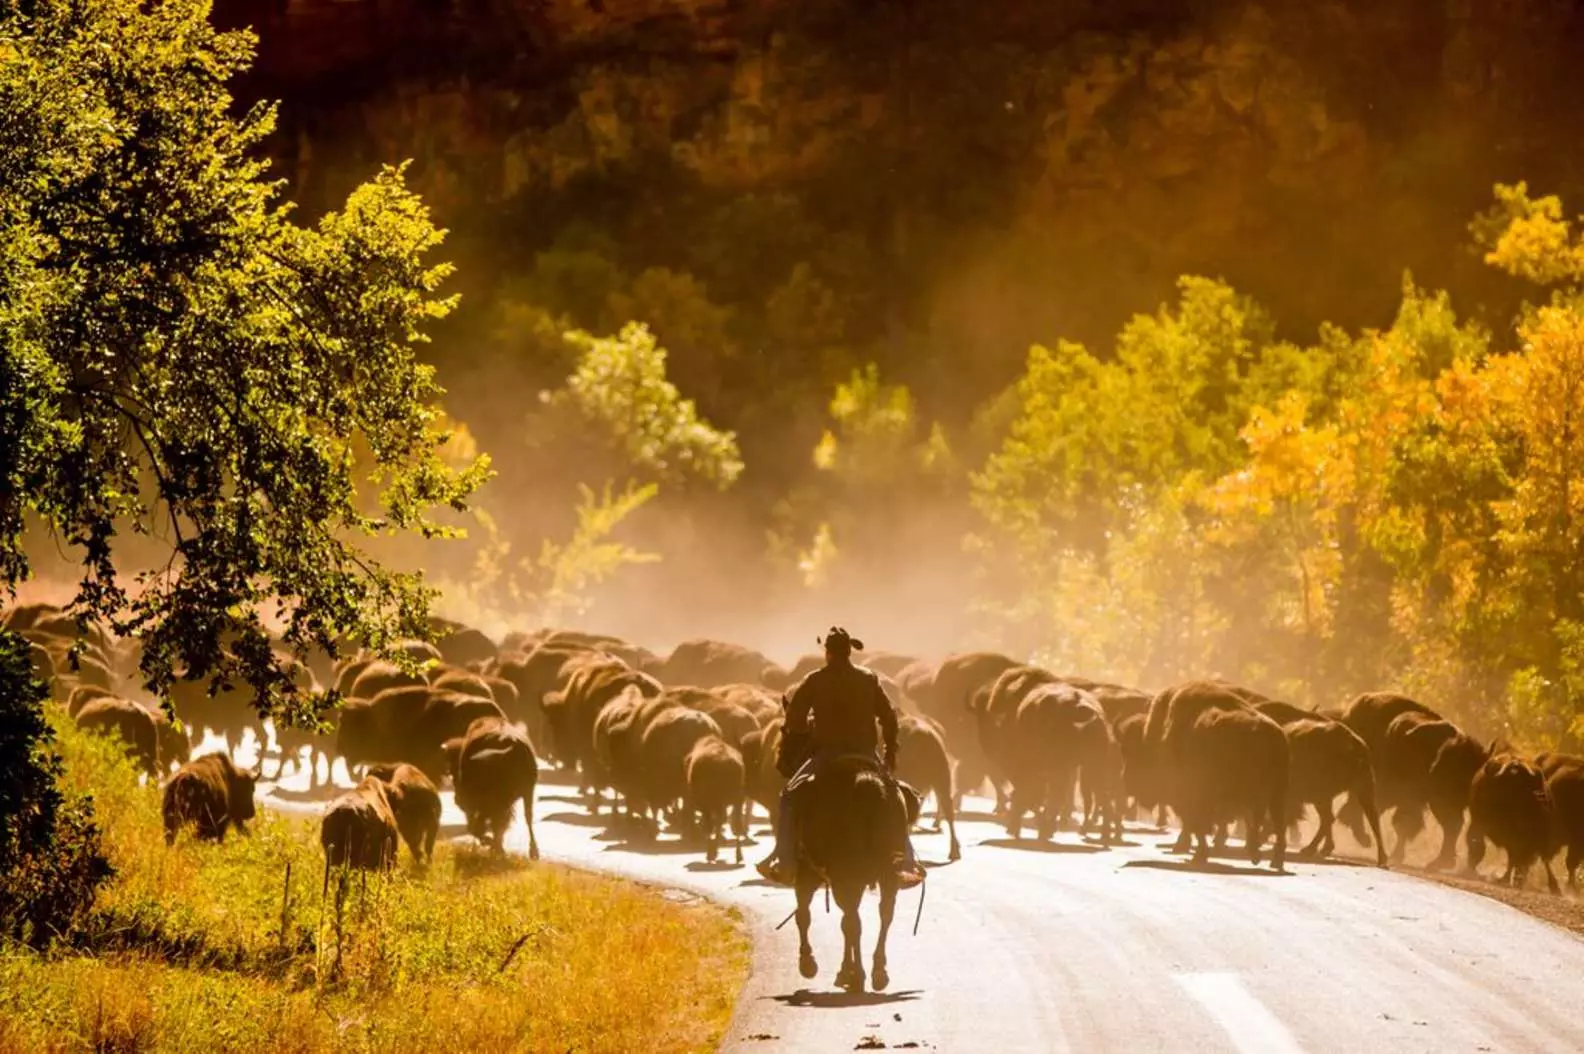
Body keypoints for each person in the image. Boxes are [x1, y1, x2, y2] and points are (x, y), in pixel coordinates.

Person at [756, 627, 926, 890]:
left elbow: (794, 720)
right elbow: (889, 716)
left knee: (788, 797)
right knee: (896, 797)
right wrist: (891, 749)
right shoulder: (869, 679)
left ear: (827, 653)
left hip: (828, 754)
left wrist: (809, 728)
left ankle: (784, 859)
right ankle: (906, 861)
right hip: (866, 755)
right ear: (849, 652)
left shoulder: (815, 680)